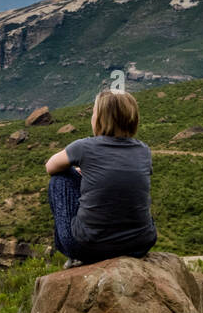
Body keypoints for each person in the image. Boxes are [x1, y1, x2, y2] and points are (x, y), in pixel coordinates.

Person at [44, 89, 157, 268]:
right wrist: (89, 172)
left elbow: (50, 166)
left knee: (59, 179)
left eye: (94, 113)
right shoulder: (144, 150)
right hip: (140, 245)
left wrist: (76, 169)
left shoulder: (83, 147)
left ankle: (72, 253)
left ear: (100, 119)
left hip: (88, 248)